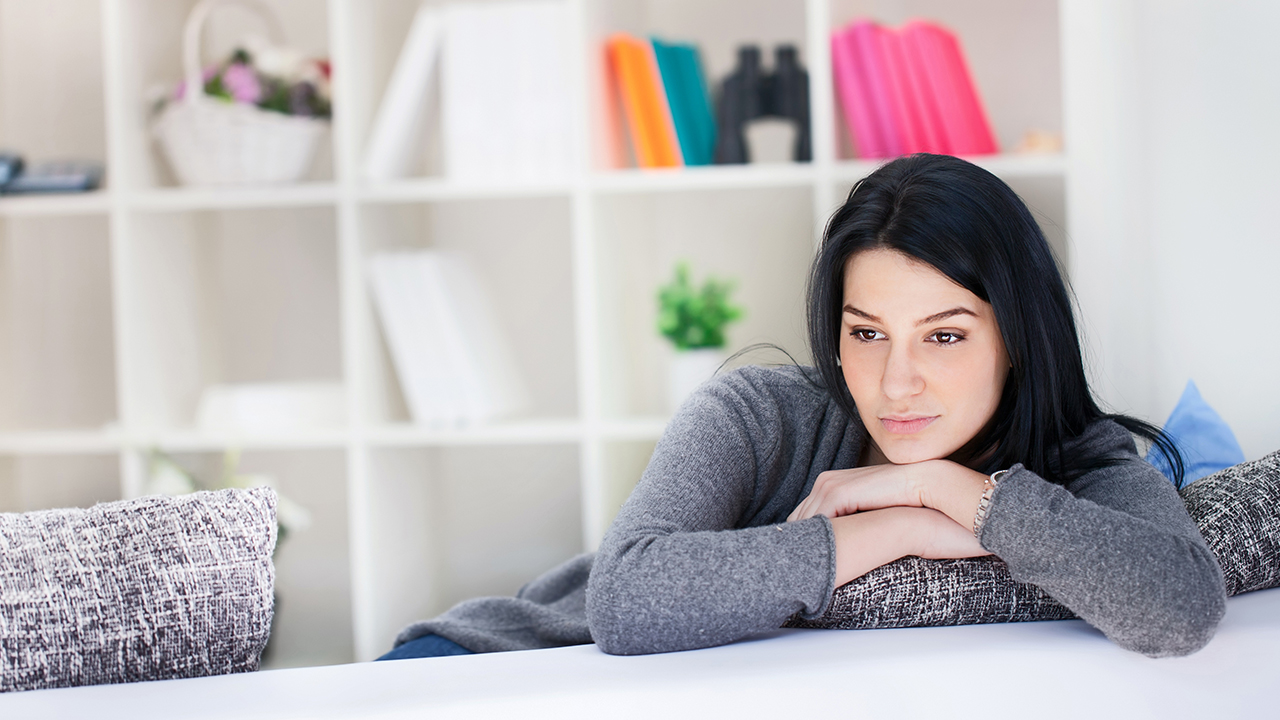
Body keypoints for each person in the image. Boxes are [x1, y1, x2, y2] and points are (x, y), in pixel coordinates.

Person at [382, 154, 1226, 661]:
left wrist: (949, 494)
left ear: (1017, 337)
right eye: (867, 334)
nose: (896, 382)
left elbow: (1182, 604)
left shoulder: (1078, 455)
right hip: (493, 661)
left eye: (943, 336)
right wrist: (892, 529)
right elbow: (627, 599)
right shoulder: (759, 414)